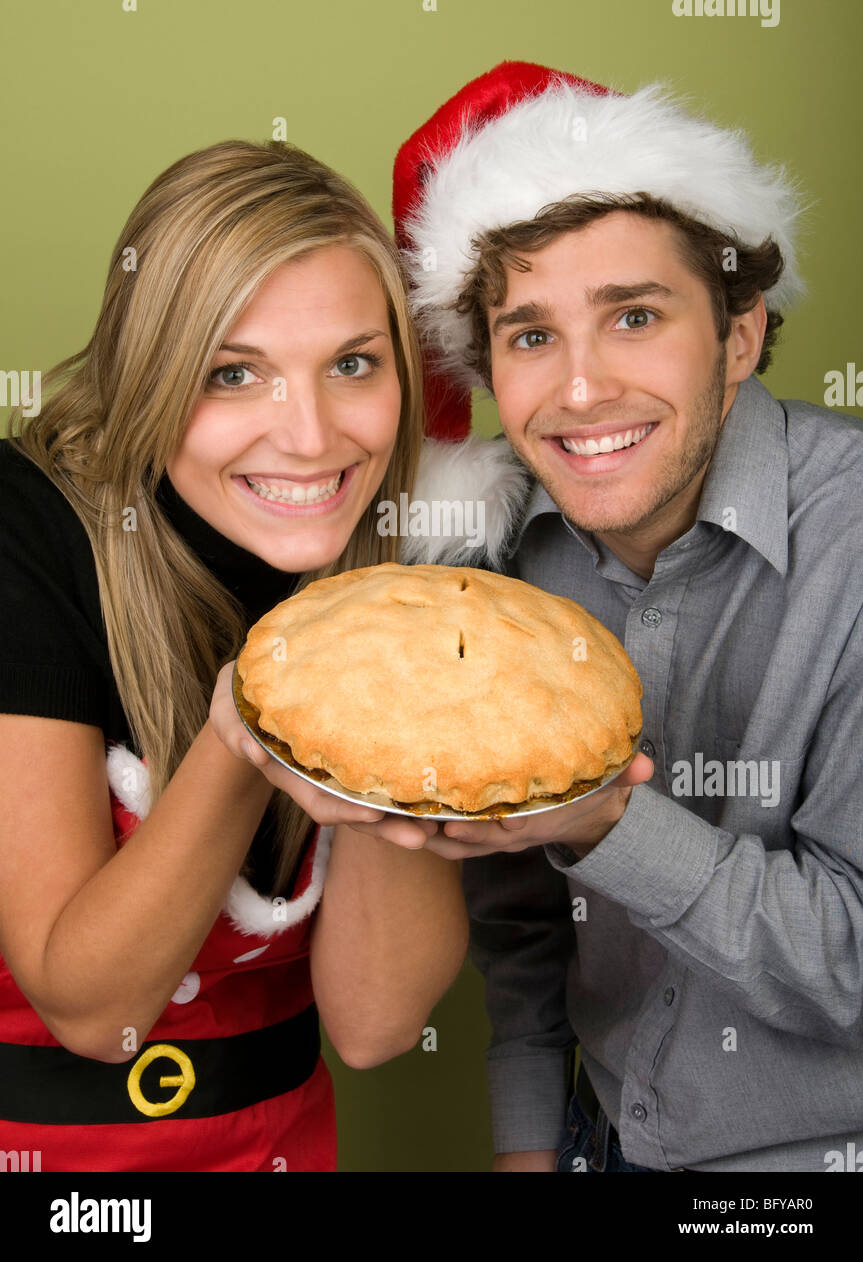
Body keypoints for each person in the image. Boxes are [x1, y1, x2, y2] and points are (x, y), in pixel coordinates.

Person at [0, 136, 519, 1172]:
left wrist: (384, 693)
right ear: (148, 375)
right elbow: (92, 1007)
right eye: (234, 374)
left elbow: (373, 1026)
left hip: (277, 1145)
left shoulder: (402, 562)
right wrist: (248, 733)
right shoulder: (26, 532)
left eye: (352, 365)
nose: (310, 435)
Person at [386, 61, 863, 1173]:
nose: (582, 390)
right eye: (531, 335)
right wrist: (523, 1143)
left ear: (737, 335)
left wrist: (603, 821)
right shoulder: (498, 564)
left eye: (633, 316)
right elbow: (519, 921)